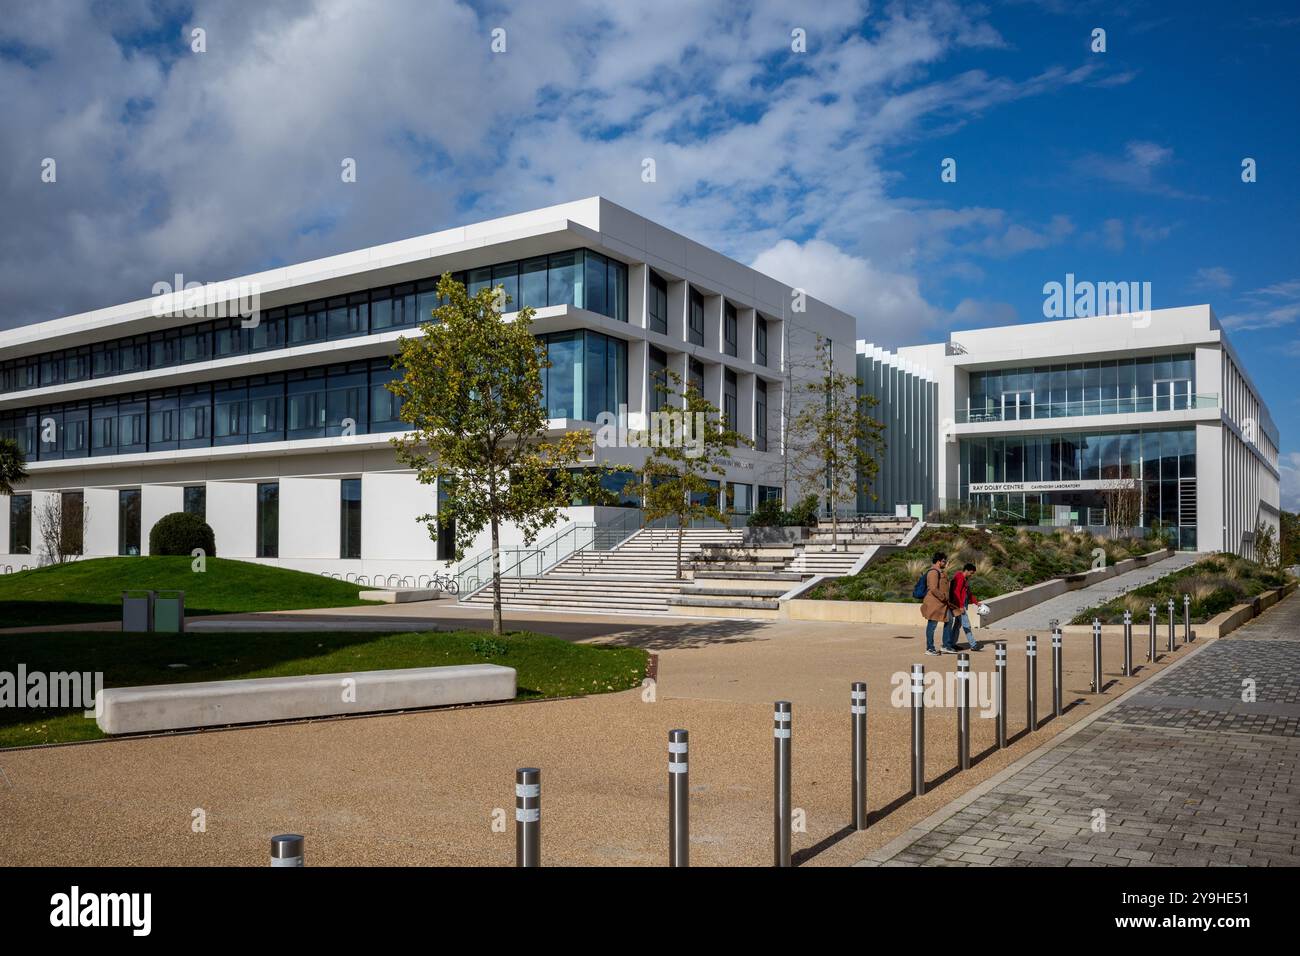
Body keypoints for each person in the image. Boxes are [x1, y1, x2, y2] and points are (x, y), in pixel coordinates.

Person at [920, 552, 959, 655]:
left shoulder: (941, 571)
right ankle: (930, 648)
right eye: (943, 561)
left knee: (949, 621)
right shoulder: (933, 572)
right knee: (932, 625)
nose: (945, 563)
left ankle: (946, 645)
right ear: (938, 561)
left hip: (943, 604)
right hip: (935, 603)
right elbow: (933, 588)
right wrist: (943, 597)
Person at [951, 562, 983, 651]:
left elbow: (969, 594)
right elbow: (956, 592)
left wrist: (976, 602)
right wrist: (961, 606)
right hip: (960, 606)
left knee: (957, 625)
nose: (972, 575)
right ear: (966, 570)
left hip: (960, 605)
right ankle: (973, 644)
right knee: (966, 625)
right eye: (971, 573)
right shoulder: (960, 578)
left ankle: (952, 643)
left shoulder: (965, 579)